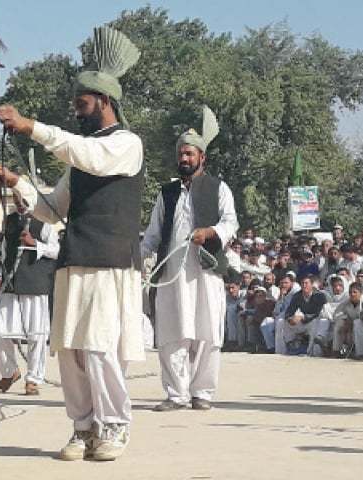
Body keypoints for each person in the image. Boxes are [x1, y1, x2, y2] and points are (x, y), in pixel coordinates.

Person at [0, 26, 144, 461]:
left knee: (98, 347)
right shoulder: (80, 154)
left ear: (105, 102)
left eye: (82, 104)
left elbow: (87, 155)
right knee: (70, 351)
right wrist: (16, 180)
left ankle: (114, 425)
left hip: (109, 263)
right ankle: (82, 428)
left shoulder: (127, 145)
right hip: (74, 261)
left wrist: (32, 127)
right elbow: (52, 207)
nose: (77, 112)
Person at [141, 104, 238, 413]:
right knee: (172, 334)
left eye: (189, 154)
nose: (184, 159)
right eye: (181, 154)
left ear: (201, 158)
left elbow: (231, 223)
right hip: (172, 272)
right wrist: (134, 258)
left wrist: (209, 231)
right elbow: (153, 233)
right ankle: (176, 394)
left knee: (207, 333)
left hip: (206, 270)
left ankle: (203, 393)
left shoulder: (218, 187)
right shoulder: (166, 192)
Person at [0, 199, 59, 396]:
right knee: (0, 330)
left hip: (35, 285)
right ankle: (9, 372)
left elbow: (57, 250)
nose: (20, 203)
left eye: (24, 199)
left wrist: (35, 244)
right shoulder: (10, 220)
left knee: (36, 335)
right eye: (17, 198)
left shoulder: (45, 221)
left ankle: (33, 379)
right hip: (11, 284)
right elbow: (4, 250)